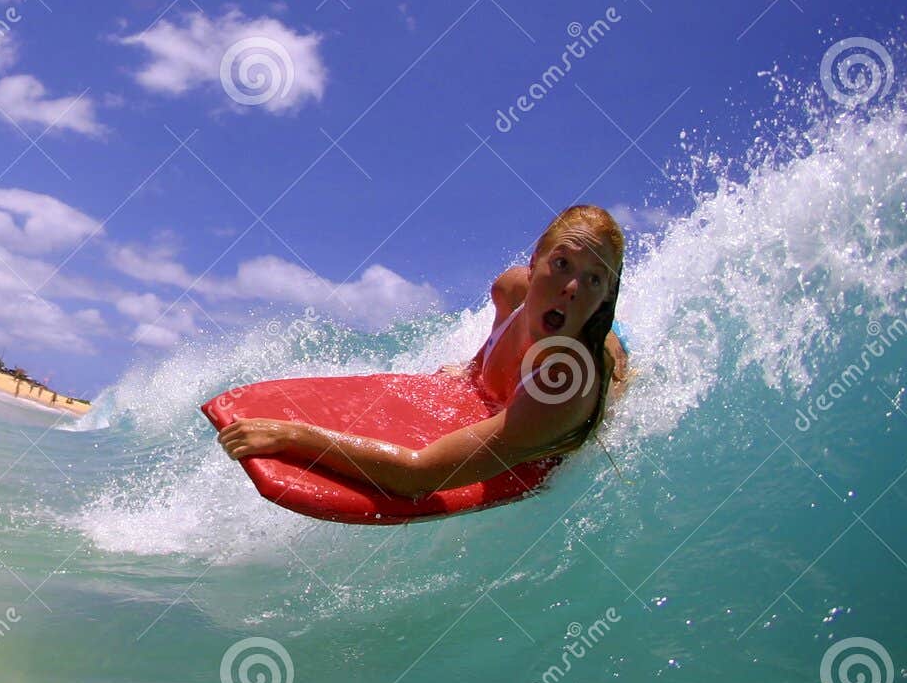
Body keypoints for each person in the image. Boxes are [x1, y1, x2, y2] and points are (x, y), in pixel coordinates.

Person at [217, 204, 629, 496]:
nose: (572, 288)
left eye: (594, 279)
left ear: (606, 295)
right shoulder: (512, 289)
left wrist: (295, 435)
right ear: (535, 260)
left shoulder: (560, 389)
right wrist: (471, 371)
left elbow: (419, 475)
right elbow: (494, 345)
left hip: (589, 375)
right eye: (562, 265)